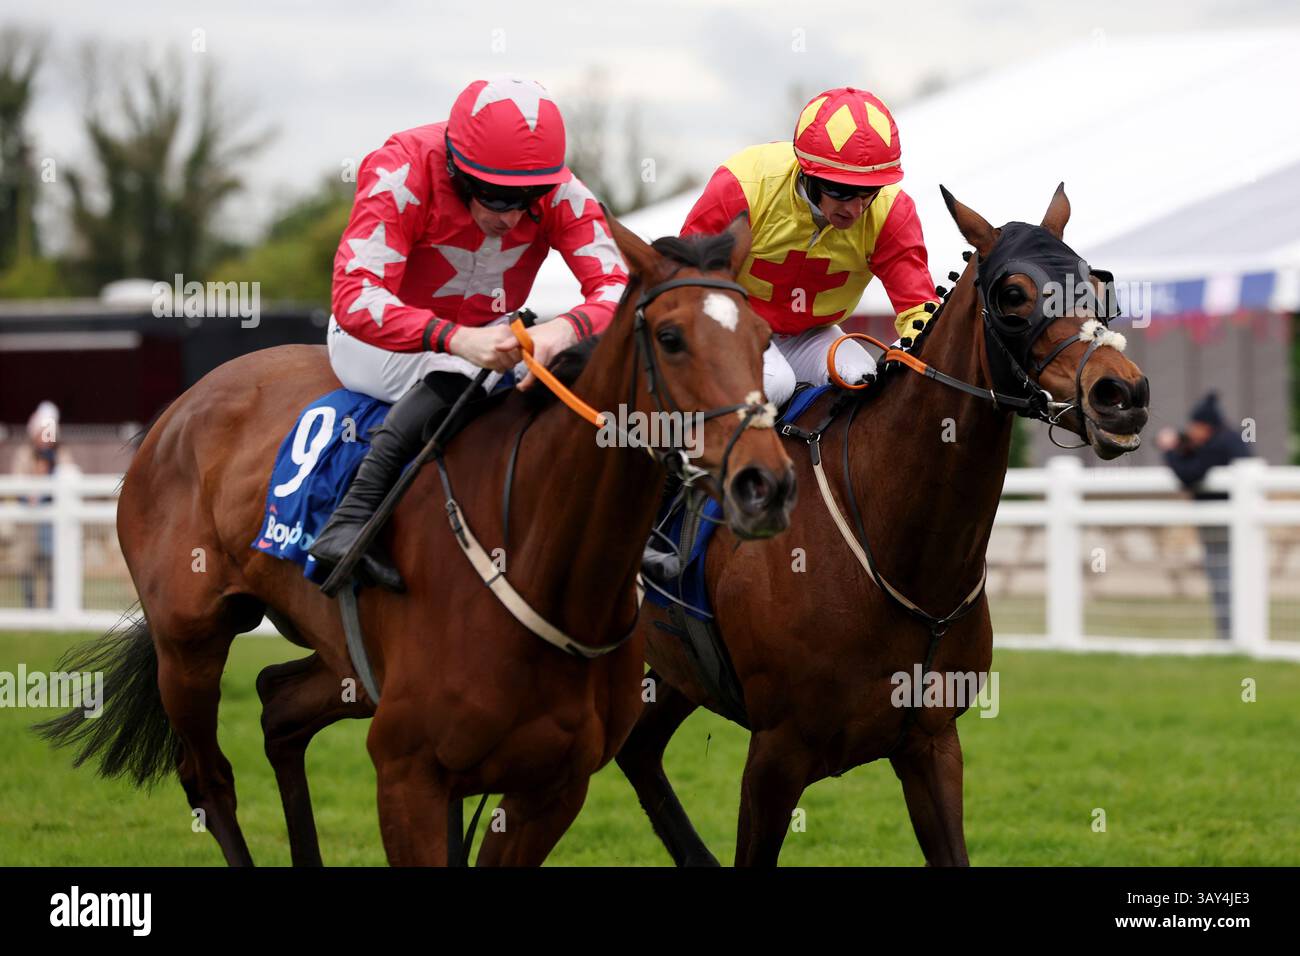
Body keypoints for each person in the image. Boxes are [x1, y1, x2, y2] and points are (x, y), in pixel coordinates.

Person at [308, 76, 628, 592]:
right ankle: (350, 520)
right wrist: (455, 338)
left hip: (487, 338)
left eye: (528, 199)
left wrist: (565, 330)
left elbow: (622, 287)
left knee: (596, 367)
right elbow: (355, 298)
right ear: (456, 166)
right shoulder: (402, 170)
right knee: (466, 368)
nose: (510, 216)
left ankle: (625, 528)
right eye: (495, 196)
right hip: (378, 340)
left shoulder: (560, 190)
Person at [679, 87, 940, 408]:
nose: (856, 210)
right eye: (842, 190)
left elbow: (919, 310)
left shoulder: (892, 213)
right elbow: (684, 280)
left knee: (862, 377)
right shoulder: (741, 186)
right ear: (807, 172)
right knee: (776, 382)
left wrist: (914, 356)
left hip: (812, 333)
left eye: (868, 192)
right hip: (738, 322)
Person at [1156, 391, 1251, 640]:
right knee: (1231, 579)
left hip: (1220, 526)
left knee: (1223, 580)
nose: (1190, 430)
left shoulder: (1219, 444)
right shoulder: (1228, 440)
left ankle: (1229, 636)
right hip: (1229, 525)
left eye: (1194, 425)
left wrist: (1169, 451)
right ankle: (1234, 634)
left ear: (1205, 426)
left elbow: (1189, 475)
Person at [8, 402, 77, 608]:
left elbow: (67, 479)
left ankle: (50, 607)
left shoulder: (60, 454)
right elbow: (17, 485)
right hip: (28, 522)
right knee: (27, 567)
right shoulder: (24, 454)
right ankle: (30, 608)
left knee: (51, 568)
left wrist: (51, 469)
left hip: (51, 523)